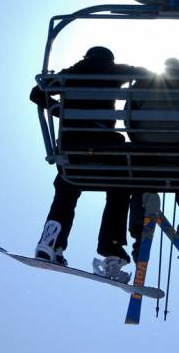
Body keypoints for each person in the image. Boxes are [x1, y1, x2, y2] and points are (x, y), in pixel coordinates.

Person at [30, 46, 146, 266]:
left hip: (71, 144)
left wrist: (58, 110)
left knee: (67, 188)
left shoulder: (69, 73)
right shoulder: (115, 70)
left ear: (86, 57)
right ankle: (110, 243)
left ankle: (51, 241)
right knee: (120, 185)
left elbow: (36, 94)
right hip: (104, 144)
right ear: (109, 58)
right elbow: (144, 74)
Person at [126, 58, 179, 263]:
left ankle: (139, 235)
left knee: (139, 176)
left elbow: (128, 117)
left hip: (147, 148)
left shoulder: (144, 83)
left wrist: (139, 138)